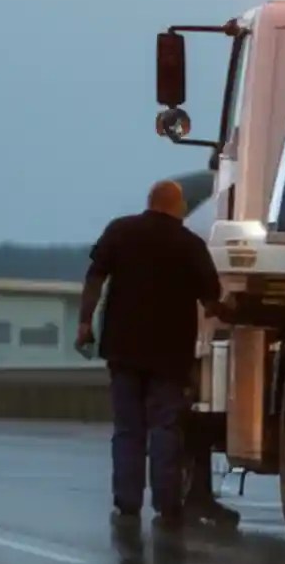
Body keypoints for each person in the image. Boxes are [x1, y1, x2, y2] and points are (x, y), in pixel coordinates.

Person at [76, 180, 234, 529]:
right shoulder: (190, 244)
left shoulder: (119, 231)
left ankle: (127, 501)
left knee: (128, 428)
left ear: (149, 203)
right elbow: (211, 300)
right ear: (177, 207)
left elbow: (95, 277)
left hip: (123, 349)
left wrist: (85, 324)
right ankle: (167, 502)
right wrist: (233, 311)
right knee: (165, 428)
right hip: (170, 356)